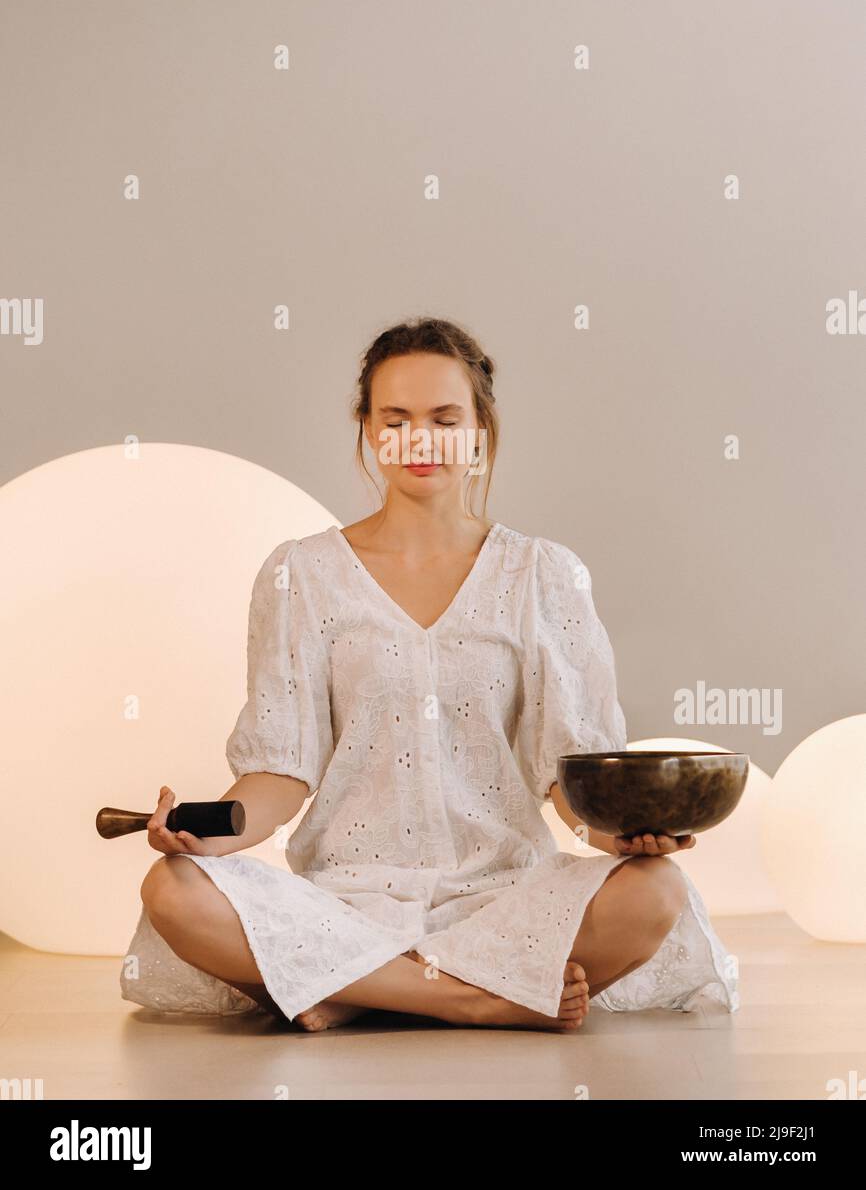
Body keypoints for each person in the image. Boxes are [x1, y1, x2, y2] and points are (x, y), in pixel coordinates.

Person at [120, 316, 737, 1032]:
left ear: (480, 431)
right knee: (174, 891)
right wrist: (211, 836)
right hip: (343, 906)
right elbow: (281, 772)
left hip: (503, 900)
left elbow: (568, 786)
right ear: (368, 429)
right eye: (397, 418)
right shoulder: (302, 574)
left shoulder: (542, 574)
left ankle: (352, 993)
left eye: (445, 418)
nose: (421, 439)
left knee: (654, 893)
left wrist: (624, 838)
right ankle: (475, 1000)